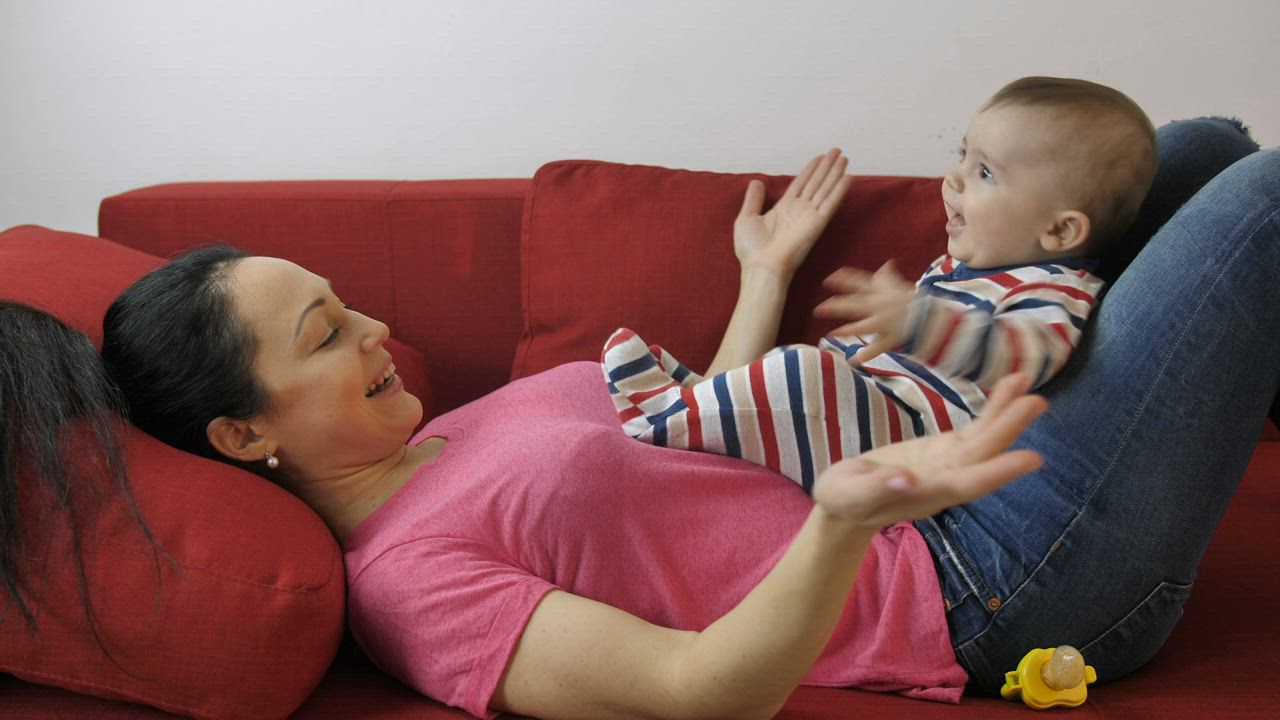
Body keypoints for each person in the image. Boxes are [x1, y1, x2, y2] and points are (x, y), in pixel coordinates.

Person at [98, 114, 1274, 720]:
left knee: (1196, 148)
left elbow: (693, 433)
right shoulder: (408, 587)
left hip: (939, 456)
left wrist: (761, 275)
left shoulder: (452, 428)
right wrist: (837, 524)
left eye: (343, 302)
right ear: (243, 437)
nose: (371, 332)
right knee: (1261, 199)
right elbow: (699, 690)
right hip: (994, 579)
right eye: (323, 336)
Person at [602, 77, 1155, 493]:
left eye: (985, 172)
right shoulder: (964, 267)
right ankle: (694, 403)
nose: (953, 179)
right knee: (808, 373)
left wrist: (918, 322)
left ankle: (667, 418)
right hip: (872, 414)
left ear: (1060, 230)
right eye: (962, 156)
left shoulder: (1058, 290)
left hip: (910, 447)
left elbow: (1021, 360)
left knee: (803, 372)